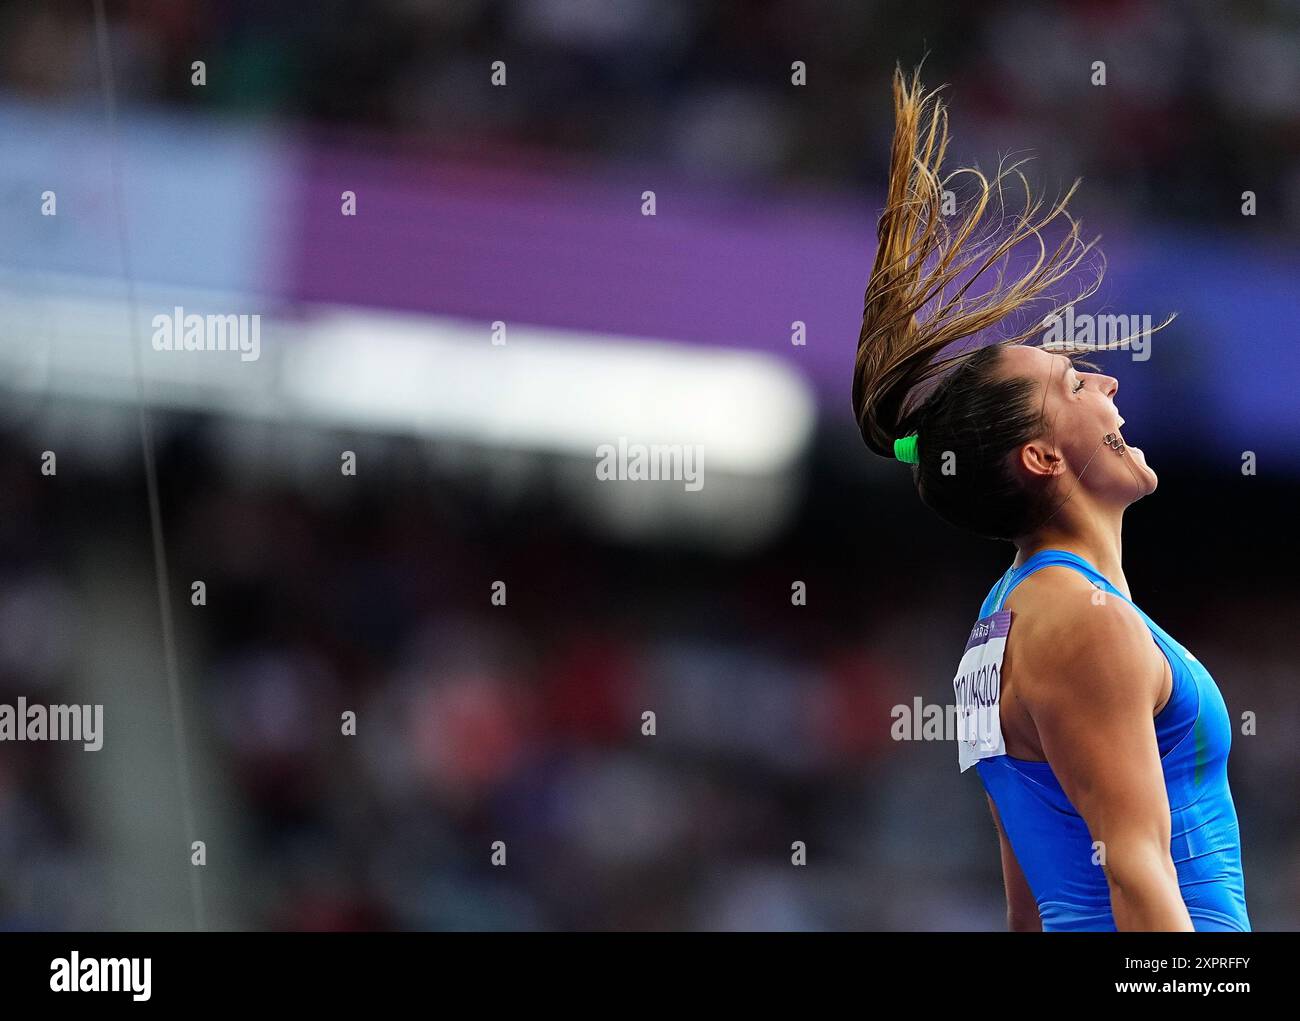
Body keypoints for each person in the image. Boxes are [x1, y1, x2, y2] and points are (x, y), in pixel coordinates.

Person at [852, 68, 1250, 931]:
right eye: (1077, 381)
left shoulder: (999, 627)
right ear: (1040, 456)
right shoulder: (1084, 623)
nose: (1108, 380)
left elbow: (1027, 904)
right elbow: (1139, 878)